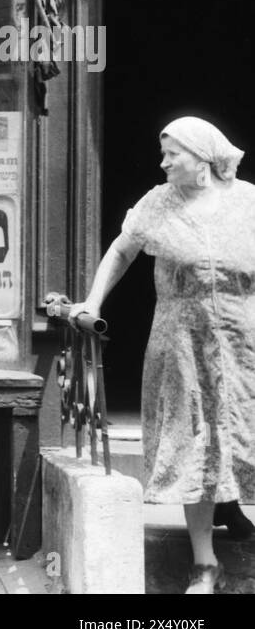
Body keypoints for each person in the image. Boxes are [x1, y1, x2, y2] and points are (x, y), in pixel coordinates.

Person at [71, 117, 255, 593]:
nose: (164, 162)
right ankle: (205, 563)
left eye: (174, 154)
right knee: (193, 440)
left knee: (240, 432)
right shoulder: (158, 203)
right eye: (163, 153)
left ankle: (228, 506)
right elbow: (120, 252)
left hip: (243, 342)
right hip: (181, 343)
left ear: (202, 158)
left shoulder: (248, 201)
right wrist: (92, 302)